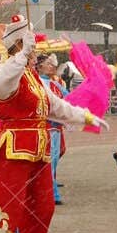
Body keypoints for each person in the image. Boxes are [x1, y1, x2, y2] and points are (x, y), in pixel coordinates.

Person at [0, 14, 102, 233]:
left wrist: (85, 117)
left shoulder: (33, 78)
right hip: (13, 149)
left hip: (39, 149)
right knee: (7, 210)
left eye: (32, 47)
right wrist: (21, 56)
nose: (35, 52)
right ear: (18, 45)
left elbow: (54, 106)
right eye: (30, 46)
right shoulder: (8, 71)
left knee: (43, 207)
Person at [38, 54, 68, 205]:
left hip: (56, 128)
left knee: (53, 161)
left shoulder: (55, 84)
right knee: (48, 162)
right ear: (39, 66)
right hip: (46, 128)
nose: (52, 66)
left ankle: (51, 191)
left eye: (52, 64)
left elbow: (69, 98)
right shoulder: (39, 83)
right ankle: (50, 193)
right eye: (48, 64)